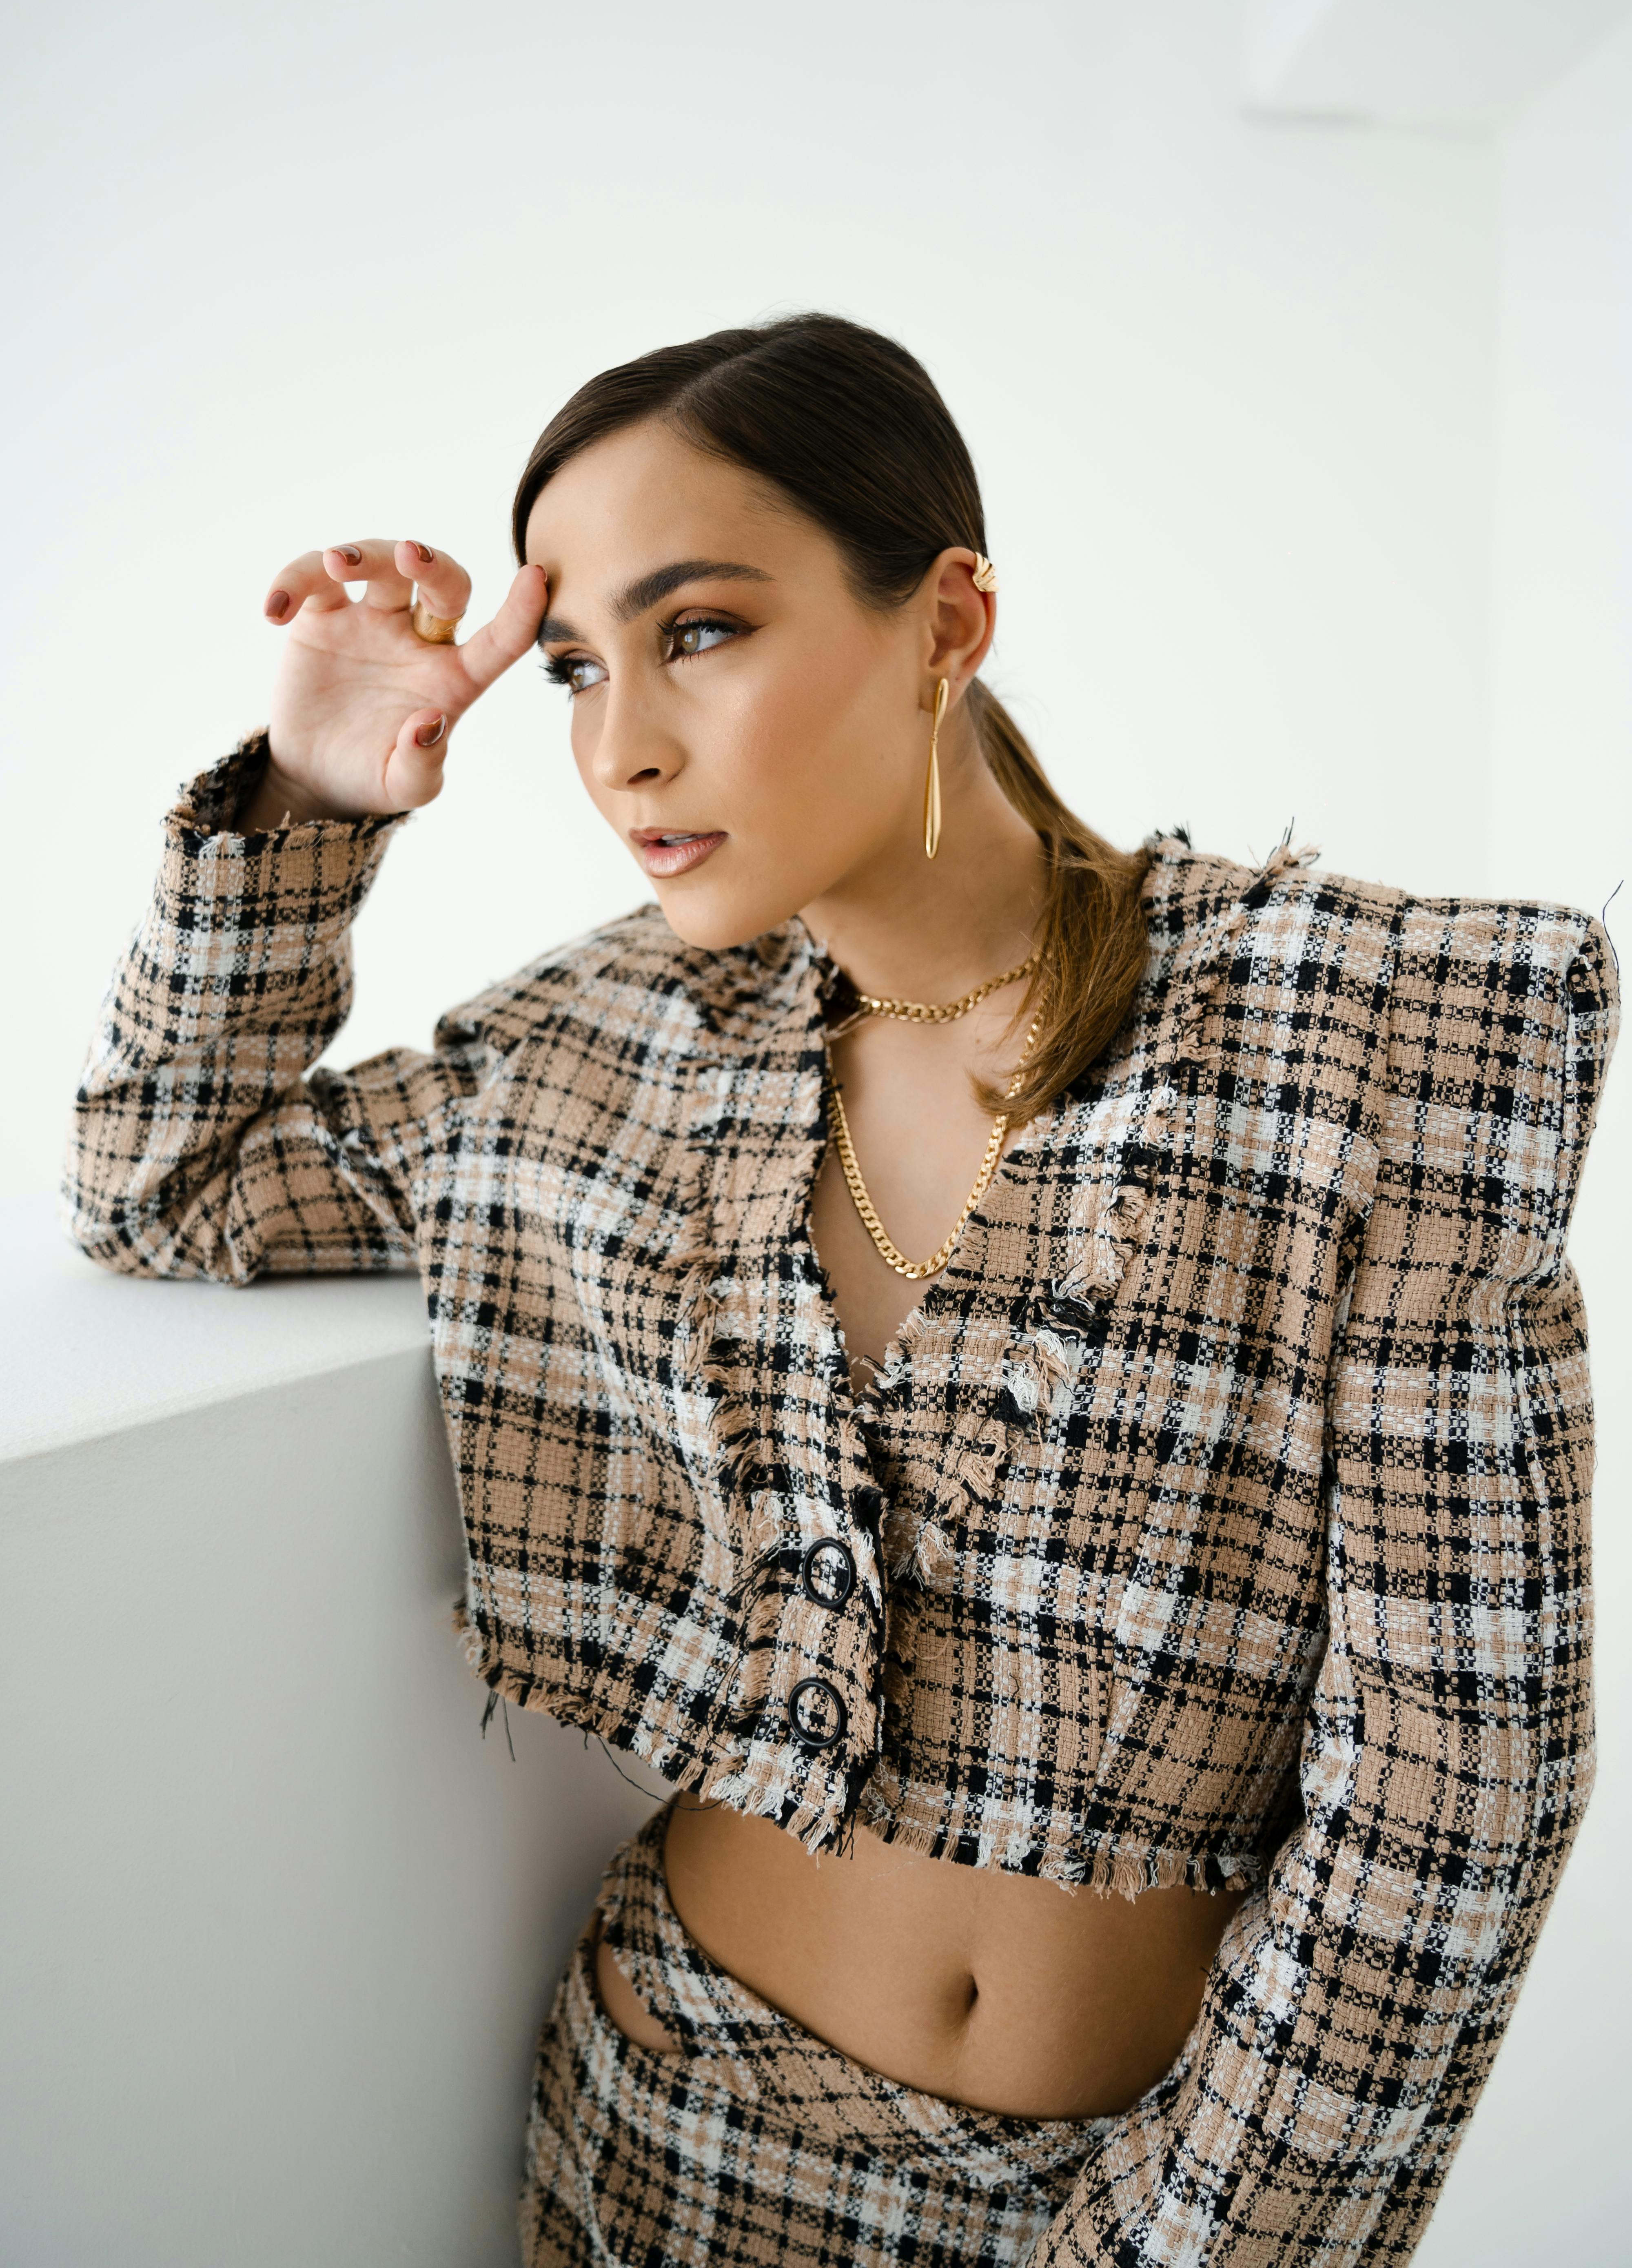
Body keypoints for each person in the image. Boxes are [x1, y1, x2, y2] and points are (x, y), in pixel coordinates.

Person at [67, 314, 1618, 2267]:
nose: (617, 742)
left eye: (696, 629)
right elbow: (161, 1185)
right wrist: (314, 790)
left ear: (944, 621)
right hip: (660, 2128)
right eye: (571, 668)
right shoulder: (614, 1044)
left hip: (1148, 2204)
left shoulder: (1365, 1033)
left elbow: (1460, 1781)